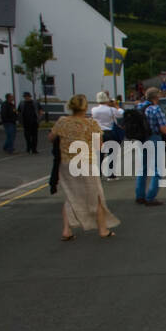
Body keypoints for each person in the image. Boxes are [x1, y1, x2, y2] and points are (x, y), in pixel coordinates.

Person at [50, 93, 118, 240]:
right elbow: (98, 146)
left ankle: (67, 230)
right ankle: (103, 229)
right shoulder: (91, 124)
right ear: (85, 107)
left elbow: (51, 138)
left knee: (71, 195)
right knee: (96, 196)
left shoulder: (62, 121)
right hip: (86, 162)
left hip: (67, 163)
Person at [137, 87, 166, 206]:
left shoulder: (139, 107)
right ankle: (150, 197)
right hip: (154, 138)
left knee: (142, 168)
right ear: (156, 97)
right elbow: (163, 129)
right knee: (157, 169)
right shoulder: (156, 109)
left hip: (141, 139)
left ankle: (140, 196)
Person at [90, 91, 122, 178]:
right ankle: (111, 173)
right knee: (111, 153)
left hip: (97, 132)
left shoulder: (94, 110)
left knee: (98, 153)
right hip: (109, 132)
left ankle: (98, 173)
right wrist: (116, 106)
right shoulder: (111, 110)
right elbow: (121, 114)